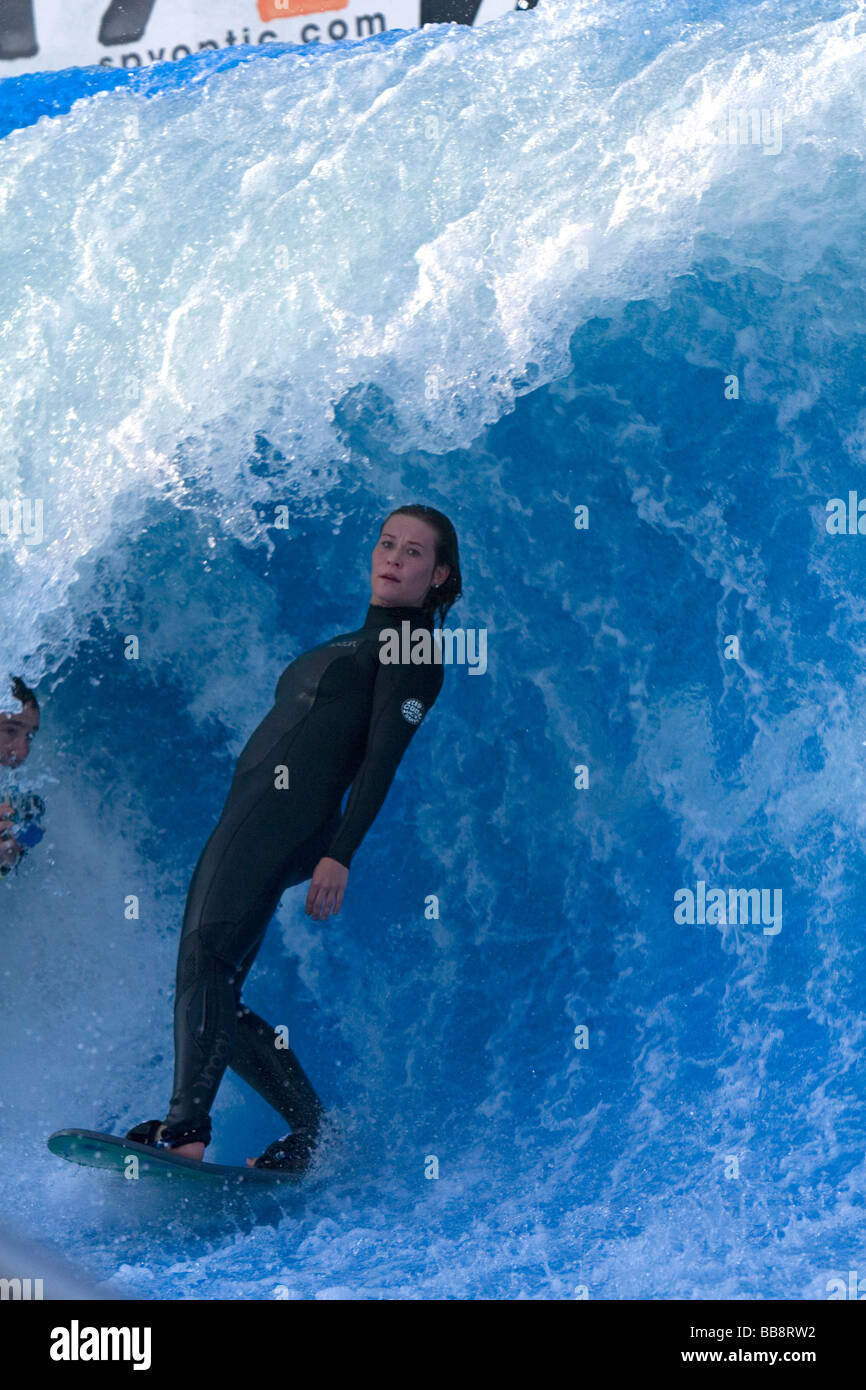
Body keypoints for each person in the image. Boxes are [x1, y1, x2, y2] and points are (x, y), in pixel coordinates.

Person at [127, 506, 462, 1171]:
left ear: (439, 575)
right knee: (217, 976)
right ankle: (310, 1133)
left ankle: (185, 1128)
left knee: (204, 959)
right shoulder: (357, 641)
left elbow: (381, 758)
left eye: (415, 553)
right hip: (258, 815)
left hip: (280, 820)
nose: (394, 557)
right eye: (386, 542)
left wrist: (340, 851)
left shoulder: (413, 647)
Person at [0, 676, 44, 880]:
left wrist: (6, 861)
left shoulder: (27, 808)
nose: (23, 750)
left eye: (29, 736)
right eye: (10, 731)